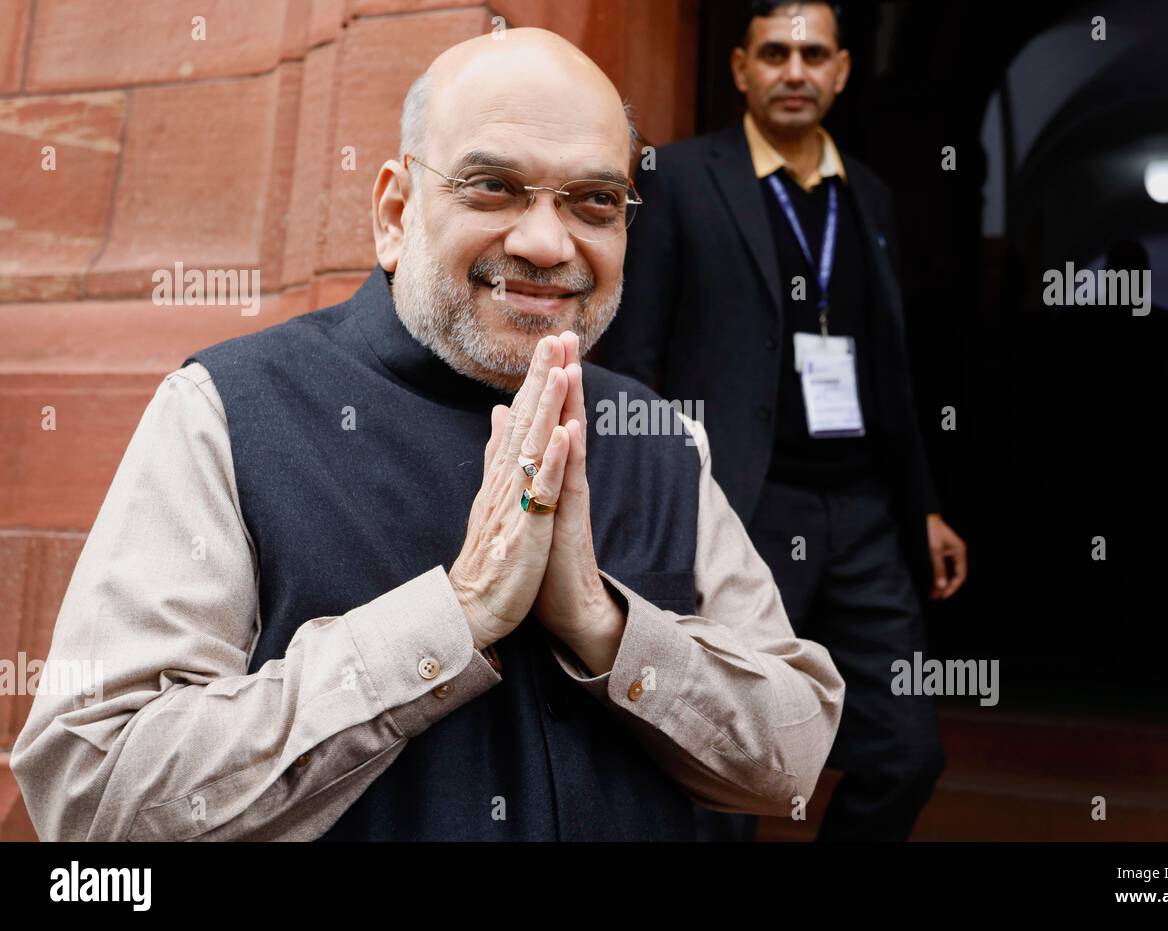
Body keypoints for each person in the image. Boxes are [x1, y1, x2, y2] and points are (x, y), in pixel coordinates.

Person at [11, 28, 845, 842]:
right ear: (395, 211)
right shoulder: (226, 410)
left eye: (594, 201)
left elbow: (796, 749)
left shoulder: (661, 439)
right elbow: (93, 795)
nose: (548, 243)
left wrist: (605, 626)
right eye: (493, 187)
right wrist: (457, 616)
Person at [601, 0, 967, 841]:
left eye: (812, 54)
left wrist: (925, 505)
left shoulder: (868, 196)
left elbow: (889, 367)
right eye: (774, 53)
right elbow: (631, 358)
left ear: (840, 71)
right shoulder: (682, 177)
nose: (794, 71)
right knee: (726, 759)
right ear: (740, 69)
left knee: (906, 753)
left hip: (867, 515)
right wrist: (642, 500)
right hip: (743, 504)